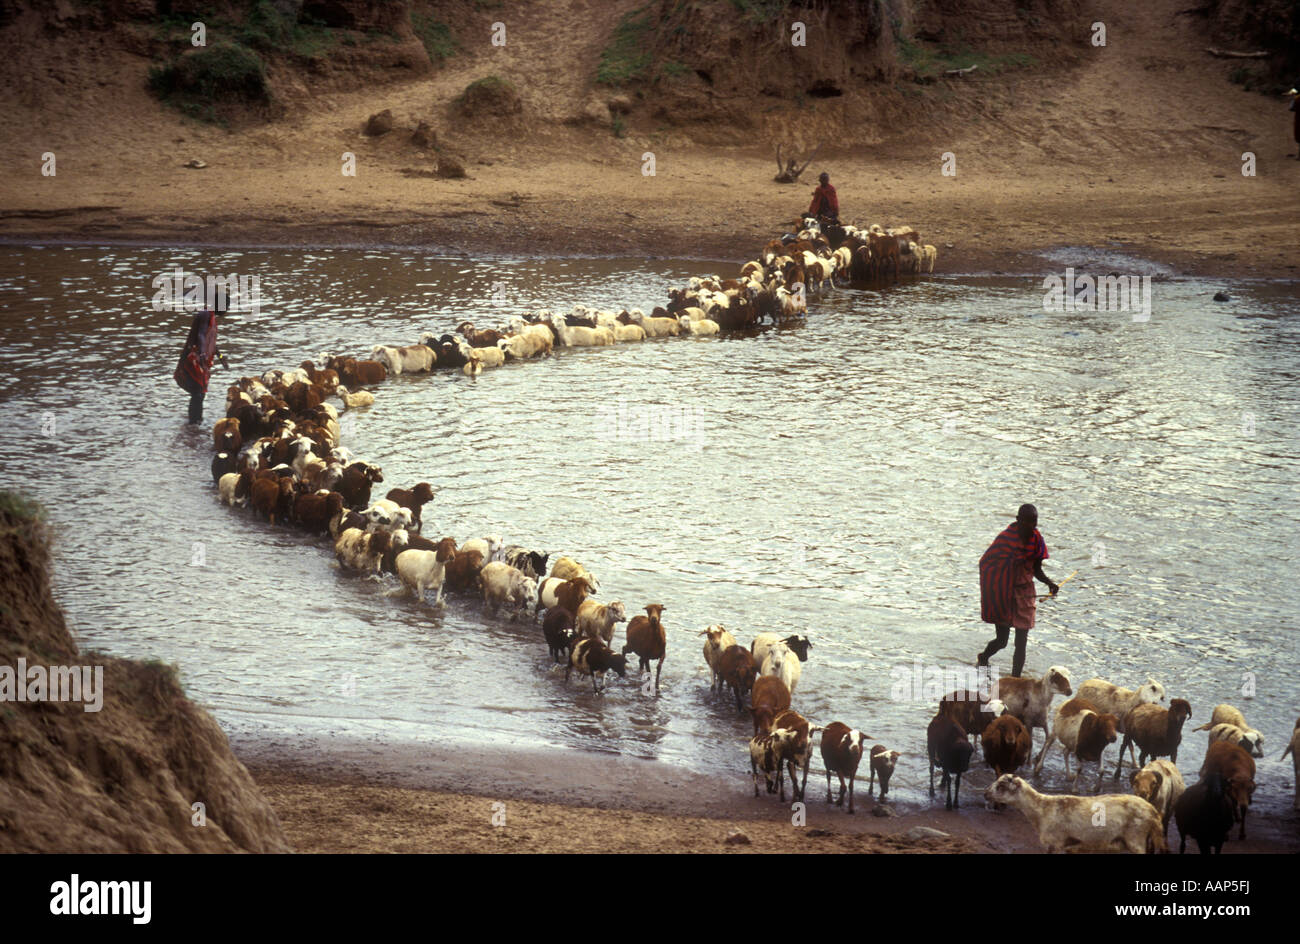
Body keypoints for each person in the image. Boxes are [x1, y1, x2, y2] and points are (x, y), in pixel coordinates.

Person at [976, 503, 1058, 677]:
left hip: (1026, 593)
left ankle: (1015, 680)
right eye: (1027, 523)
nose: (1031, 527)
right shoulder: (1006, 538)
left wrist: (1049, 583)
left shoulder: (1036, 539)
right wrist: (1002, 580)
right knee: (1002, 641)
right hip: (1004, 593)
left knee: (1021, 642)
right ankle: (983, 658)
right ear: (1018, 520)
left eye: (1034, 523)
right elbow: (987, 563)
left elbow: (1036, 569)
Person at [174, 300, 225, 425]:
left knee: (200, 393)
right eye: (226, 307)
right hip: (195, 359)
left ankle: (197, 422)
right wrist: (202, 353)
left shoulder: (211, 316)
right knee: (197, 392)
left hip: (202, 360)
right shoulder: (205, 314)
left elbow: (210, 341)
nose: (226, 311)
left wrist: (221, 356)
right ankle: (193, 422)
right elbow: (201, 334)